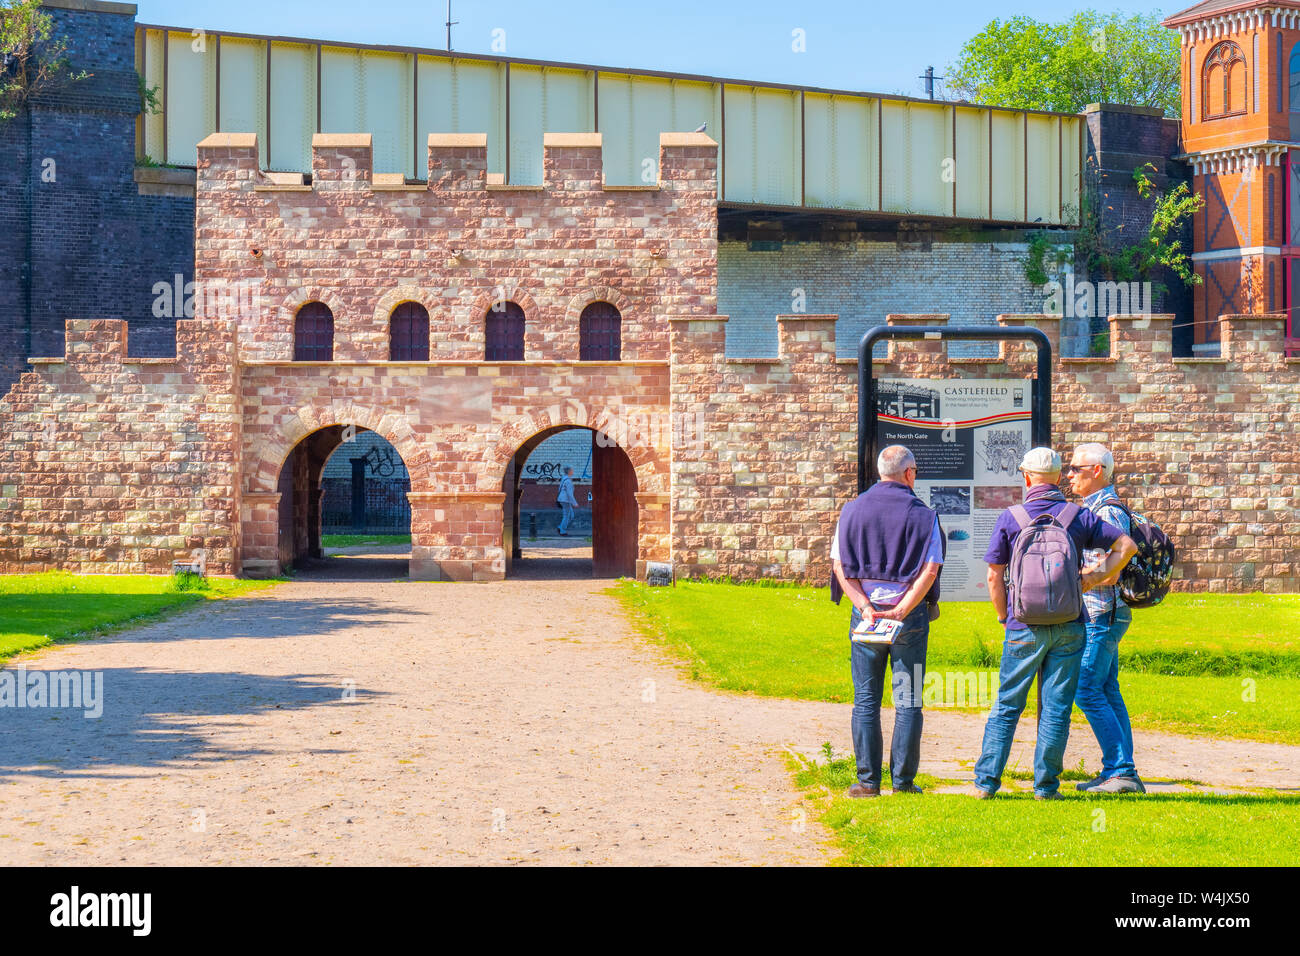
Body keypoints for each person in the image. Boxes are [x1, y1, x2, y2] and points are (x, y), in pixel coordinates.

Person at [971, 447, 1137, 800]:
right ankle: (1045, 786)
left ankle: (986, 783)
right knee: (1057, 707)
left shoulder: (1011, 517)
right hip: (1069, 623)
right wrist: (1093, 578)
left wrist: (1004, 616)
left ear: (1026, 477)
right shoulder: (1076, 516)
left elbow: (993, 575)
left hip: (1022, 624)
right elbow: (1126, 546)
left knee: (1007, 705)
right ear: (1060, 477)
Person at [831, 445, 944, 798]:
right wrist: (901, 609)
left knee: (866, 700)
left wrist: (864, 606)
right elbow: (930, 569)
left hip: (865, 615)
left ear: (881, 472)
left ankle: (867, 783)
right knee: (908, 699)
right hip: (907, 617)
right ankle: (903, 783)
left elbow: (839, 566)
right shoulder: (925, 516)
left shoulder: (851, 511)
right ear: (909, 473)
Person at [1067, 443, 1145, 794]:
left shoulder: (1106, 513)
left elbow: (1112, 572)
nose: (1069, 475)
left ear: (1096, 471)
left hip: (1103, 613)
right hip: (1106, 613)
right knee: (1106, 689)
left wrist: (1073, 578)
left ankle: (1121, 770)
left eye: (1075, 469)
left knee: (1084, 688)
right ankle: (1121, 771)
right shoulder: (1096, 508)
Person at [556, 467, 578, 536]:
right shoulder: (568, 481)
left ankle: (560, 527)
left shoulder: (564, 478)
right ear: (569, 471)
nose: (573, 471)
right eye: (572, 470)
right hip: (566, 500)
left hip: (563, 500)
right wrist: (574, 503)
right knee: (567, 516)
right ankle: (562, 531)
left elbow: (559, 489)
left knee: (571, 515)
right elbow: (569, 494)